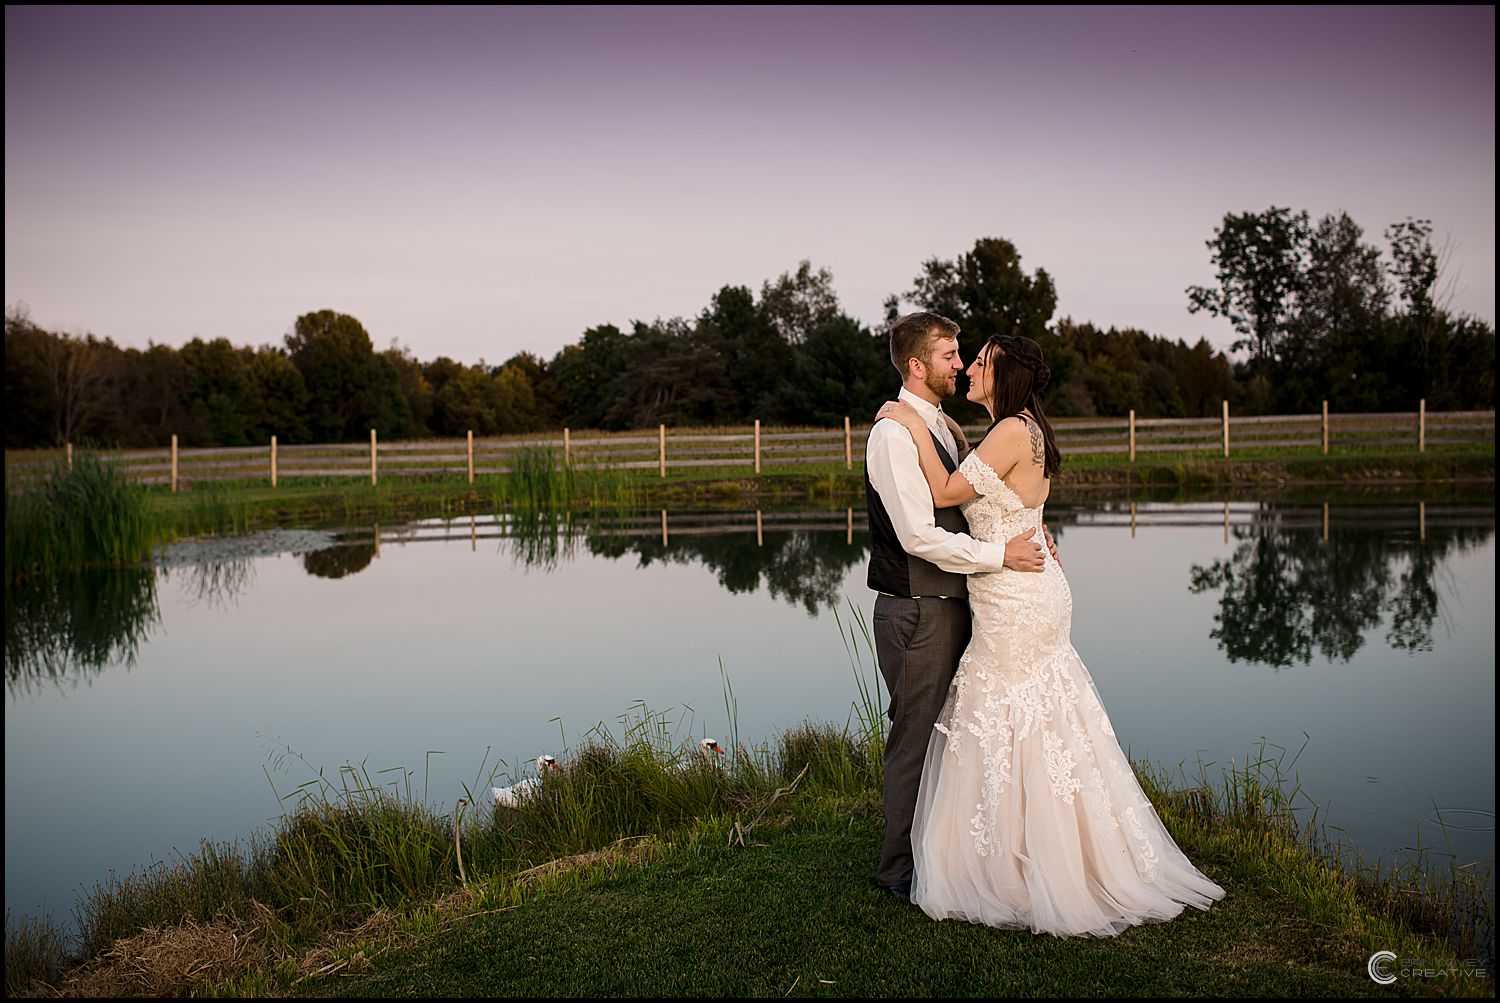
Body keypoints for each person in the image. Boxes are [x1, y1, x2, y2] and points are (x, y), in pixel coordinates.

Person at [876, 333, 1225, 936]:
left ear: (1004, 374)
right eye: (962, 358)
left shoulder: (1009, 430)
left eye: (979, 362)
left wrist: (908, 419)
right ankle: (1033, 848)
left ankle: (1017, 860)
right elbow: (1008, 499)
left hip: (1017, 595)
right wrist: (944, 433)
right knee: (1035, 717)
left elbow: (945, 492)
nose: (967, 368)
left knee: (1012, 715)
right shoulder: (1016, 429)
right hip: (1022, 590)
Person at [864, 312, 1057, 898]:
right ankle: (900, 872)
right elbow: (918, 537)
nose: (961, 365)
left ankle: (960, 856)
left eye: (965, 356)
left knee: (962, 735)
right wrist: (1002, 553)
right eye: (950, 356)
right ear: (917, 365)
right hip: (917, 606)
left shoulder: (946, 429)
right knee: (917, 739)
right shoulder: (893, 434)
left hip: (966, 603)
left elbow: (991, 498)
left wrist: (1033, 530)